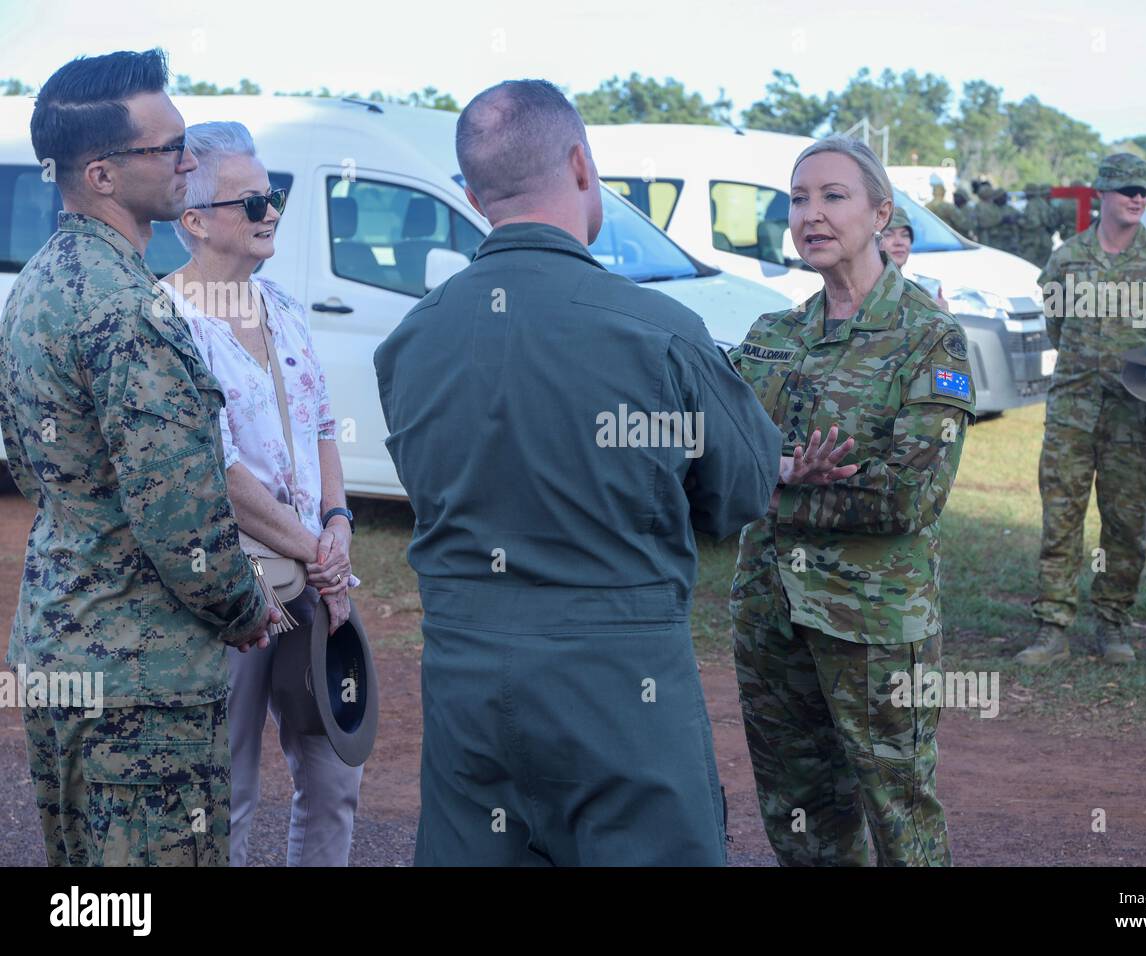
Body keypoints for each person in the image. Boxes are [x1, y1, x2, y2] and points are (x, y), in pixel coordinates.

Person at [375, 80, 849, 867]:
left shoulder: (412, 338)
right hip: (620, 682)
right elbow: (734, 495)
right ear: (581, 165)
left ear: (471, 192)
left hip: (466, 679)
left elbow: (429, 486)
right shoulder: (660, 331)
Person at [0, 49, 275, 866]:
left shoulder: (42, 281)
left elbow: (31, 464)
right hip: (140, 680)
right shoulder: (129, 308)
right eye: (169, 148)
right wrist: (244, 606)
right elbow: (180, 510)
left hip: (63, 650)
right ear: (102, 174)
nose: (189, 161)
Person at [729, 135, 976, 867]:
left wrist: (772, 484)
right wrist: (784, 472)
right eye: (799, 199)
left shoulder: (929, 339)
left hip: (873, 626)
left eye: (833, 196)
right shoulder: (772, 336)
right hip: (771, 616)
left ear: (880, 214)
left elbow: (909, 498)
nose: (812, 214)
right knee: (798, 811)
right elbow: (713, 462)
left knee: (898, 812)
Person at [160, 121, 364, 866]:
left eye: (271, 196)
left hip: (313, 573)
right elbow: (217, 472)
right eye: (252, 203)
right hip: (231, 588)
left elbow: (319, 426)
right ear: (195, 221)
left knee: (336, 771)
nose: (271, 212)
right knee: (228, 787)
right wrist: (320, 553)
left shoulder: (281, 306)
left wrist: (337, 522)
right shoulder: (169, 322)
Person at [1017, 153, 1146, 667]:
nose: (1139, 198)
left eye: (1144, 191)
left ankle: (1114, 624)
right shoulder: (1067, 259)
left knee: (1126, 524)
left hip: (1134, 418)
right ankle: (1052, 627)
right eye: (1127, 190)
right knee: (1061, 520)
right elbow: (1056, 326)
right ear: (1103, 194)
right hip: (1072, 412)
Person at [1019, 184, 1056, 267]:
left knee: (1029, 265)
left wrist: (1020, 222)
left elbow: (1034, 223)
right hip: (1046, 239)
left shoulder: (1032, 204)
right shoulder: (1044, 203)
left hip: (1034, 241)